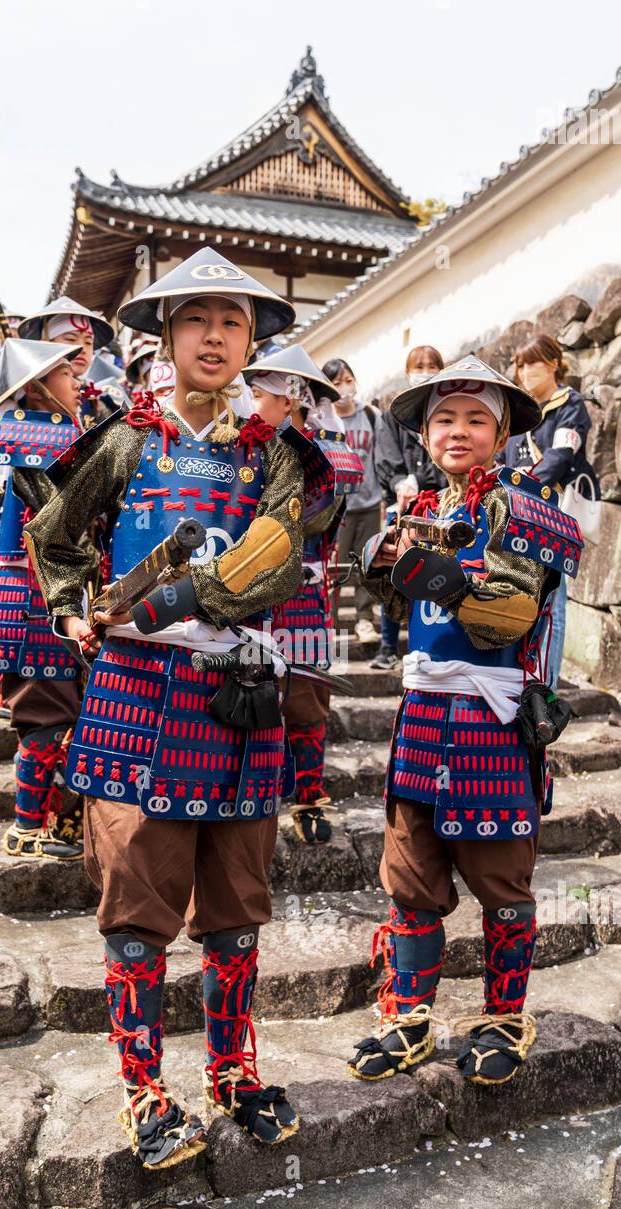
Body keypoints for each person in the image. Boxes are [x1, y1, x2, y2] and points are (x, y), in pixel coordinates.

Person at [26, 247, 307, 1169]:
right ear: (169, 336)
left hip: (235, 694)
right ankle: (145, 1091)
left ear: (253, 340)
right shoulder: (121, 440)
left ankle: (232, 1070)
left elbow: (271, 561)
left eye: (233, 321)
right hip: (136, 694)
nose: (216, 336)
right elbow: (55, 531)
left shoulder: (279, 457)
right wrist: (74, 607)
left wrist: (179, 601)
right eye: (198, 320)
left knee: (235, 902)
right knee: (138, 904)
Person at [345, 355, 584, 1089]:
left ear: (504, 430)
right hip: (423, 716)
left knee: (502, 884)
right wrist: (382, 568)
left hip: (493, 714)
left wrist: (434, 574)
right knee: (411, 878)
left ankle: (504, 1016)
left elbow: (509, 612)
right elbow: (400, 613)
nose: (458, 431)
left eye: (476, 419)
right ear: (422, 432)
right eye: (443, 418)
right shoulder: (416, 511)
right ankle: (407, 1015)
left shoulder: (526, 507)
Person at [0, 338, 86, 857]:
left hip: (41, 590)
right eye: (66, 374)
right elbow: (61, 523)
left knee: (61, 709)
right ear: (38, 387)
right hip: (31, 594)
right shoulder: (38, 441)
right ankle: (27, 827)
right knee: (45, 713)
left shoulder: (55, 437)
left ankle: (51, 820)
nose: (79, 382)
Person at [245, 344, 362, 845]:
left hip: (303, 593)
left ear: (289, 398)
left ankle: (309, 793)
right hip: (248, 593)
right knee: (250, 691)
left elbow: (312, 516)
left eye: (259, 395)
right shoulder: (245, 445)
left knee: (308, 698)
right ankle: (258, 789)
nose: (251, 405)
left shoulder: (328, 450)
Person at [500, 333, 596, 688]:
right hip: (511, 513)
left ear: (554, 363)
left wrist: (520, 483)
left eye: (532, 363)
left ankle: (546, 688)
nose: (525, 372)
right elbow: (501, 456)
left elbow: (560, 456)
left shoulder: (570, 405)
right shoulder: (517, 409)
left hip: (550, 515)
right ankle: (516, 676)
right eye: (520, 365)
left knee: (551, 603)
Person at [371, 345, 446, 670]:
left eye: (432, 365)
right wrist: (401, 480)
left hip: (441, 506)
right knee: (392, 572)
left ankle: (431, 642)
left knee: (435, 574)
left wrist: (426, 479)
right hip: (402, 506)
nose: (425, 370)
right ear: (407, 371)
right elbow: (385, 455)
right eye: (419, 365)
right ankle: (388, 646)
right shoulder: (393, 415)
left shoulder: (444, 410)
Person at [322, 357, 383, 645]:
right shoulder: (322, 419)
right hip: (337, 509)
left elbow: (381, 457)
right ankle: (327, 622)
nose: (345, 388)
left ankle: (364, 621)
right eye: (337, 383)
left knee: (367, 567)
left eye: (349, 380)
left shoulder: (371, 416)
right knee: (332, 569)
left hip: (369, 503)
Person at [18, 296, 115, 424]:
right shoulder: (22, 393)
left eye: (88, 342)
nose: (82, 349)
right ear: (46, 343)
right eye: (70, 339)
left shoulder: (97, 400)